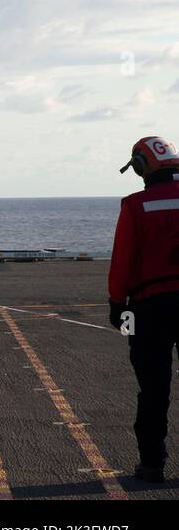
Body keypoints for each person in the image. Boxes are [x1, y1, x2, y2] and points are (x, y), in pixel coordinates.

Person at [108, 135, 179, 483]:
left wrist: (115, 304)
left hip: (147, 309)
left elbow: (122, 261)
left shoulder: (135, 205)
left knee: (152, 387)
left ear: (140, 166)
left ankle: (152, 464)